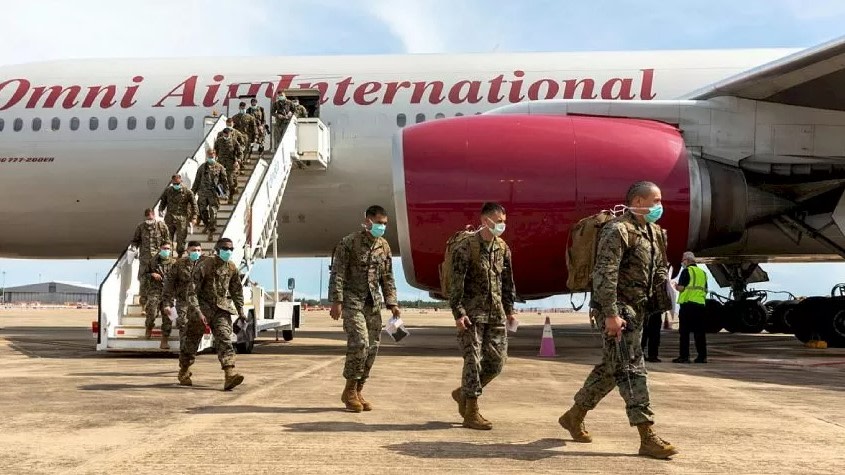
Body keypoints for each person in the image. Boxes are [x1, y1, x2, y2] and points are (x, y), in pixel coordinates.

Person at [559, 180, 678, 459]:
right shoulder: (618, 231)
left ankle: (574, 416)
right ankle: (647, 435)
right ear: (638, 202)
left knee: (611, 369)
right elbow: (605, 274)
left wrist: (666, 299)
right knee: (631, 369)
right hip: (619, 311)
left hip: (640, 311)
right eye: (656, 200)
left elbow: (658, 270)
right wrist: (611, 313)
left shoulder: (654, 233)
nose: (660, 206)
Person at [448, 202, 516, 431]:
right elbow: (455, 285)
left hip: (495, 314)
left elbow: (507, 283)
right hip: (472, 315)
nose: (502, 225)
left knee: (497, 362)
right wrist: (458, 313)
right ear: (485, 220)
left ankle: (463, 393)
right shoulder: (466, 247)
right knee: (473, 361)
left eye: (504, 221)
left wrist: (510, 310)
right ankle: (471, 411)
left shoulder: (503, 248)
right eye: (498, 221)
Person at [328, 205, 399, 412]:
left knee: (372, 348)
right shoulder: (349, 243)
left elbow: (388, 277)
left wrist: (392, 302)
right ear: (367, 221)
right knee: (359, 342)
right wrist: (336, 301)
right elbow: (338, 273)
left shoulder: (384, 246)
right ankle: (349, 390)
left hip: (372, 303)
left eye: (384, 224)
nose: (382, 227)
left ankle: (359, 389)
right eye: (378, 223)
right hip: (352, 301)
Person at [193, 238, 245, 390]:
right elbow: (192, 290)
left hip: (221, 310)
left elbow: (236, 290)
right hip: (202, 309)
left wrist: (240, 310)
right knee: (191, 343)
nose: (228, 251)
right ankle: (184, 369)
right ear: (217, 249)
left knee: (224, 339)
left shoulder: (231, 267)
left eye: (230, 249)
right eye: (224, 248)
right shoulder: (205, 265)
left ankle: (229, 374)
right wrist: (197, 310)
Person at [163, 240, 206, 386]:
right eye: (193, 250)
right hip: (183, 304)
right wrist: (167, 303)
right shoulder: (179, 265)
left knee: (196, 337)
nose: (196, 252)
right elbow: (169, 285)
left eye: (199, 250)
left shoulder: (206, 264)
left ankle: (187, 363)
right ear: (187, 251)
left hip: (200, 306)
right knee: (184, 332)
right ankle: (184, 369)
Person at [673, 251, 709, 364]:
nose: (682, 262)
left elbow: (682, 288)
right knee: (700, 333)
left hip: (688, 305)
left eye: (683, 260)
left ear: (687, 261)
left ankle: (684, 356)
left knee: (684, 333)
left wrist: (675, 286)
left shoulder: (687, 271)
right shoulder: (702, 273)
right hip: (700, 305)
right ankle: (702, 356)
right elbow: (705, 289)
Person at [130, 208, 170, 307]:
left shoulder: (161, 226)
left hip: (159, 259)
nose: (149, 222)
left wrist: (166, 253)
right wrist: (133, 248)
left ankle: (161, 304)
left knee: (160, 280)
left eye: (151, 219)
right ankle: (144, 305)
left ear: (154, 216)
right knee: (144, 282)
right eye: (148, 219)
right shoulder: (140, 227)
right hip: (145, 259)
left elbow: (167, 241)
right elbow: (135, 240)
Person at [142, 242, 175, 349]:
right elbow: (143, 275)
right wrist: (152, 274)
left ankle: (164, 340)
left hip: (169, 294)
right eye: (164, 248)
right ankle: (149, 327)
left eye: (168, 249)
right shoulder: (152, 262)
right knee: (151, 312)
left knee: (168, 317)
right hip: (155, 291)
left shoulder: (174, 263)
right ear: (160, 249)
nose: (166, 250)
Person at [157, 174, 198, 258]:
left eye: (178, 183)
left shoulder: (187, 191)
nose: (176, 185)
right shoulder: (168, 191)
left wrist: (194, 217)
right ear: (172, 182)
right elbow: (163, 201)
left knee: (181, 239)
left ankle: (180, 254)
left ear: (181, 181)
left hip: (182, 219)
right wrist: (160, 210)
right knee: (168, 238)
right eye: (174, 184)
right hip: (169, 218)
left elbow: (194, 205)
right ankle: (169, 256)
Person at [192, 150, 228, 241]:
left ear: (215, 155)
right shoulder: (202, 167)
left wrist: (225, 193)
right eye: (209, 156)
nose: (210, 158)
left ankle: (211, 230)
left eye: (212, 156)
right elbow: (197, 180)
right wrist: (193, 192)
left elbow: (224, 181)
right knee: (203, 211)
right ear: (206, 156)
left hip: (213, 194)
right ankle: (207, 225)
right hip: (203, 193)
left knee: (213, 212)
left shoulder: (220, 167)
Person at [214, 128, 239, 204]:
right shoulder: (219, 141)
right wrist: (215, 158)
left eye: (227, 134)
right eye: (224, 134)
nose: (226, 136)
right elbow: (216, 150)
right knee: (217, 181)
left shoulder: (234, 142)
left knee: (230, 181)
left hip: (230, 164)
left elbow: (239, 152)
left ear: (229, 134)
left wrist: (237, 161)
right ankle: (220, 196)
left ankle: (230, 197)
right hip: (220, 163)